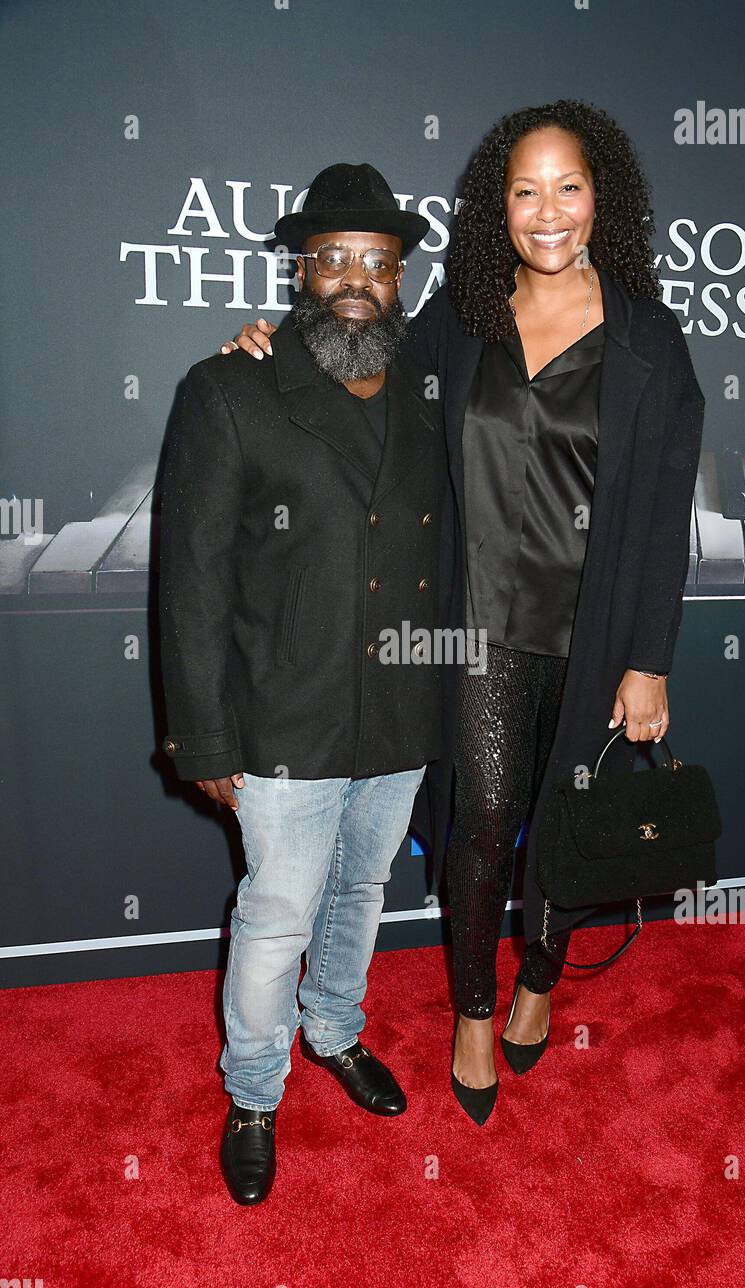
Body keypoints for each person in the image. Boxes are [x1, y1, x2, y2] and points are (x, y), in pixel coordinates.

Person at [224, 99, 705, 1126]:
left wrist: (648, 661)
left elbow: (664, 516)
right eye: (522, 189)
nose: (545, 210)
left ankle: (539, 974)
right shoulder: (458, 313)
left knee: (568, 824)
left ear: (598, 198)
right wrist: (276, 352)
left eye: (565, 187)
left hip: (592, 639)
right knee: (483, 822)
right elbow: (364, 376)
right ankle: (477, 1008)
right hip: (474, 626)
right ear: (498, 205)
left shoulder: (647, 340)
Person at [160, 163, 447, 1203]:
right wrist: (204, 737)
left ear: (402, 274)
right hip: (281, 712)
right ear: (300, 269)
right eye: (333, 259)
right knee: (275, 912)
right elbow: (188, 582)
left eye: (377, 261)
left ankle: (333, 1032)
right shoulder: (229, 387)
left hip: (400, 707)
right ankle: (252, 1092)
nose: (355, 279)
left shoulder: (431, 377)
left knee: (361, 894)